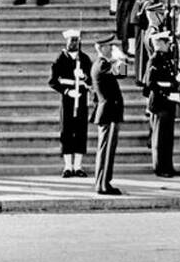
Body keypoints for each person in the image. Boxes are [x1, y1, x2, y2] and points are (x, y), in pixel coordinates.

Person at [50, 29, 93, 178]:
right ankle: (68, 166)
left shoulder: (85, 59)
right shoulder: (60, 59)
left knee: (81, 130)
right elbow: (53, 82)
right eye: (71, 40)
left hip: (81, 96)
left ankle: (78, 166)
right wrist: (67, 91)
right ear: (66, 42)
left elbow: (92, 81)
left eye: (76, 40)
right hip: (68, 98)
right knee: (67, 131)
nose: (74, 43)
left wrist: (84, 77)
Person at [143, 28, 180, 178]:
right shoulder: (154, 60)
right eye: (166, 42)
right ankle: (160, 167)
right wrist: (166, 90)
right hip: (160, 101)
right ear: (159, 44)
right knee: (159, 138)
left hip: (169, 101)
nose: (168, 45)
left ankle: (168, 166)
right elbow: (149, 83)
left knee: (168, 137)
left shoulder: (167, 59)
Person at [91, 42, 125, 195]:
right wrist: (121, 58)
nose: (111, 50)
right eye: (109, 47)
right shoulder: (102, 65)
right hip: (109, 112)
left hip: (108, 112)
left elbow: (121, 74)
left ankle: (104, 182)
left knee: (106, 150)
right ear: (101, 49)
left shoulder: (101, 64)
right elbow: (121, 72)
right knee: (106, 151)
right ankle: (103, 184)